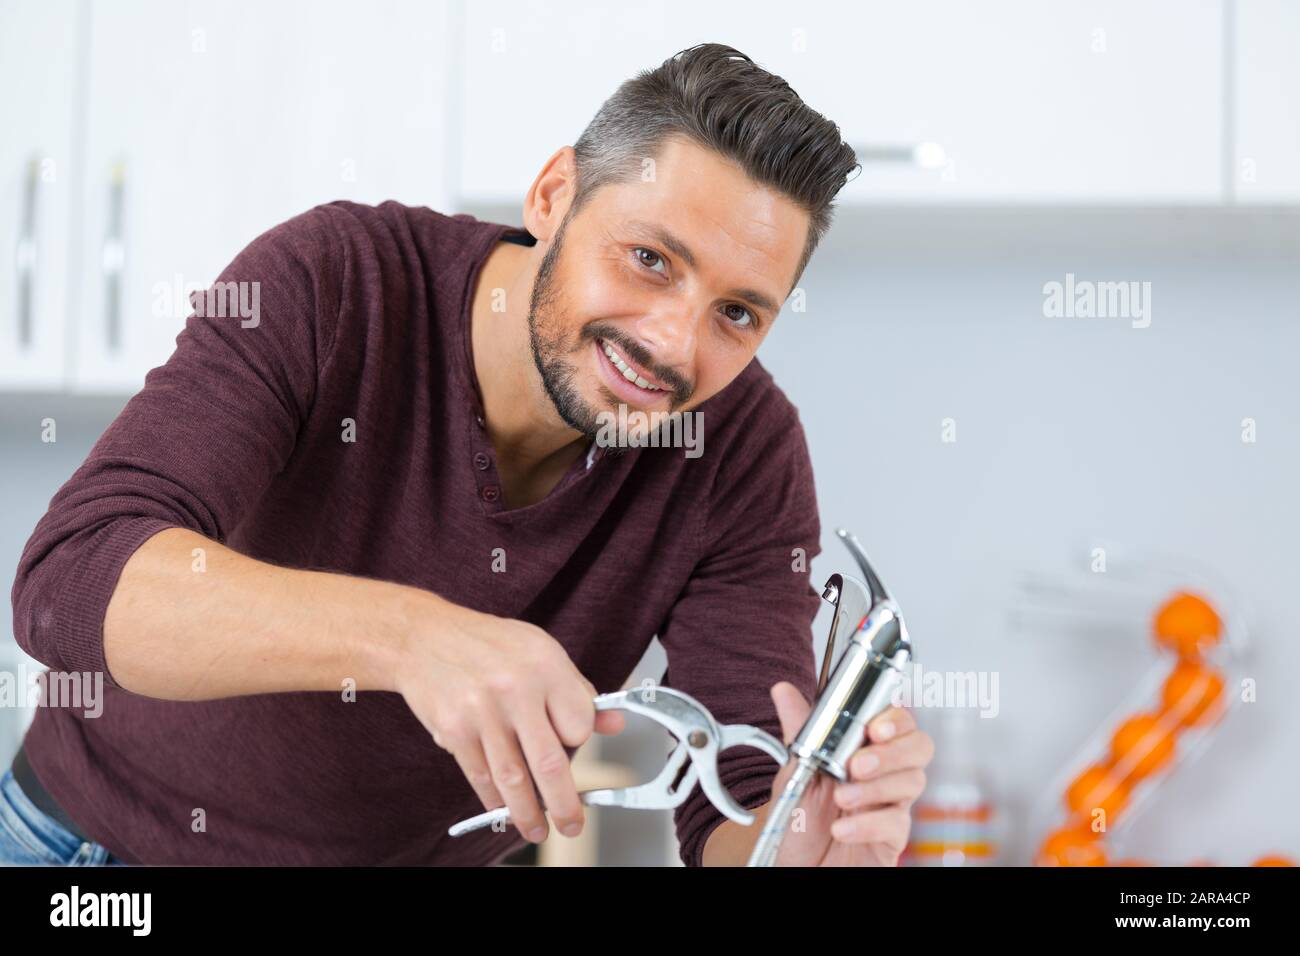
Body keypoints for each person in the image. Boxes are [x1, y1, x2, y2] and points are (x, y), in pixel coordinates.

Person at [6, 42, 932, 867]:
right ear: (552, 195)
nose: (674, 347)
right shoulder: (335, 282)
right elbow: (70, 583)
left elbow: (734, 793)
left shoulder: (744, 455)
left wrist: (799, 842)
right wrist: (416, 639)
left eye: (738, 313)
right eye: (651, 258)